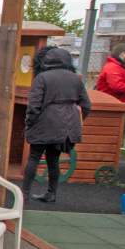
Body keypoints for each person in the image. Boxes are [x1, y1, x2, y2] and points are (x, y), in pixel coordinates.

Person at [22, 46, 92, 203]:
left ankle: (24, 194)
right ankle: (51, 193)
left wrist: (29, 124)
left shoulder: (42, 77)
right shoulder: (76, 79)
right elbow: (87, 105)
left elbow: (34, 106)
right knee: (53, 160)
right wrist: (77, 121)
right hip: (67, 126)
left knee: (33, 158)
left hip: (45, 122)